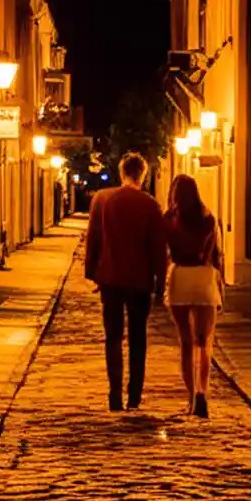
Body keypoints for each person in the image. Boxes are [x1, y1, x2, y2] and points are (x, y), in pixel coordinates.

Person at [85, 152, 168, 411]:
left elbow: (93, 238)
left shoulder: (102, 199)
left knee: (113, 336)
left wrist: (92, 271)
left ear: (122, 173)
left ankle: (114, 394)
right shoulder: (150, 205)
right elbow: (157, 247)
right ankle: (134, 395)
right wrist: (161, 282)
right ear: (142, 175)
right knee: (138, 337)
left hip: (110, 277)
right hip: (139, 280)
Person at [164, 174, 224, 418]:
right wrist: (221, 287)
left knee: (185, 341)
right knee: (204, 341)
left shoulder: (169, 219)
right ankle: (202, 392)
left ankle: (190, 397)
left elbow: (163, 250)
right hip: (204, 277)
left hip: (180, 276)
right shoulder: (208, 219)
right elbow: (216, 255)